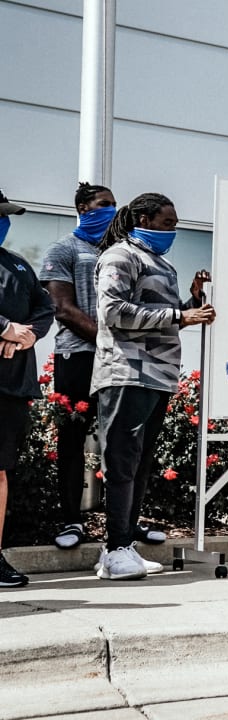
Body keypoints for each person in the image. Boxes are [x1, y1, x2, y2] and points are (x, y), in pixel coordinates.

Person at [93, 193, 215, 580]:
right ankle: (113, 551)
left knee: (141, 464)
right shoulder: (119, 257)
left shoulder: (158, 262)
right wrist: (181, 313)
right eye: (167, 223)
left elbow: (160, 314)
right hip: (126, 373)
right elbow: (113, 311)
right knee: (122, 463)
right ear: (143, 218)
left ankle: (125, 545)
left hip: (158, 375)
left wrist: (191, 299)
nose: (173, 231)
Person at [38, 182, 118, 549]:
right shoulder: (64, 250)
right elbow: (63, 309)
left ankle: (123, 526)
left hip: (117, 362)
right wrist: (107, 340)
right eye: (104, 205)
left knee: (119, 441)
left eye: (114, 205)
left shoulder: (119, 252)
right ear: (84, 208)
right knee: (72, 440)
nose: (111, 211)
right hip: (78, 357)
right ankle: (71, 520)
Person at [0, 191, 54, 587]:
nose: (5, 222)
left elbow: (45, 306)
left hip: (12, 386)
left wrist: (28, 335)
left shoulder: (16, 264)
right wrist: (4, 328)